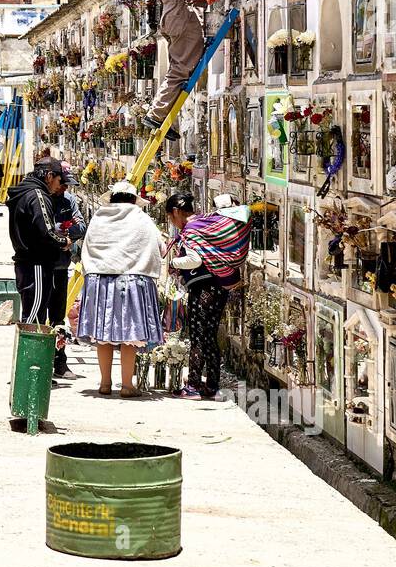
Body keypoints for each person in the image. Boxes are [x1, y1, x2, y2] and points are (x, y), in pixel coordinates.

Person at [76, 180, 165, 397]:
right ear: (134, 199)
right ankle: (127, 385)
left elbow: (88, 246)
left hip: (100, 280)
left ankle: (105, 383)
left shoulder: (99, 217)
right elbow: (158, 247)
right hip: (132, 281)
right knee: (130, 335)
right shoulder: (141, 219)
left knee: (102, 334)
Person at [166, 192, 252, 400]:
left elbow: (194, 260)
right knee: (210, 336)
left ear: (177, 212)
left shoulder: (192, 230)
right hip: (219, 286)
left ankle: (193, 386)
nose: (172, 222)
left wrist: (173, 263)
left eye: (170, 217)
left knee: (197, 336)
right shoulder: (204, 222)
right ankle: (212, 386)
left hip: (203, 288)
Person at [144, 0, 219, 141]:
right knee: (181, 68)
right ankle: (157, 114)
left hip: (174, 15)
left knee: (181, 67)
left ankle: (166, 117)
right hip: (181, 15)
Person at [6, 157, 71, 326]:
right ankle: (30, 353)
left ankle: (32, 352)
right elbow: (47, 231)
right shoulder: (37, 196)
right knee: (34, 319)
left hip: (26, 263)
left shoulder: (25, 191)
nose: (59, 186)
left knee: (33, 316)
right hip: (36, 266)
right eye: (59, 180)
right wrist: (64, 241)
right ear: (49, 176)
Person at [49, 162, 86, 379]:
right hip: (42, 265)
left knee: (58, 317)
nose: (65, 189)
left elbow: (80, 225)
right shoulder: (41, 198)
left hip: (61, 266)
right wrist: (56, 232)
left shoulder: (68, 200)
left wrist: (66, 234)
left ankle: (60, 362)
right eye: (63, 184)